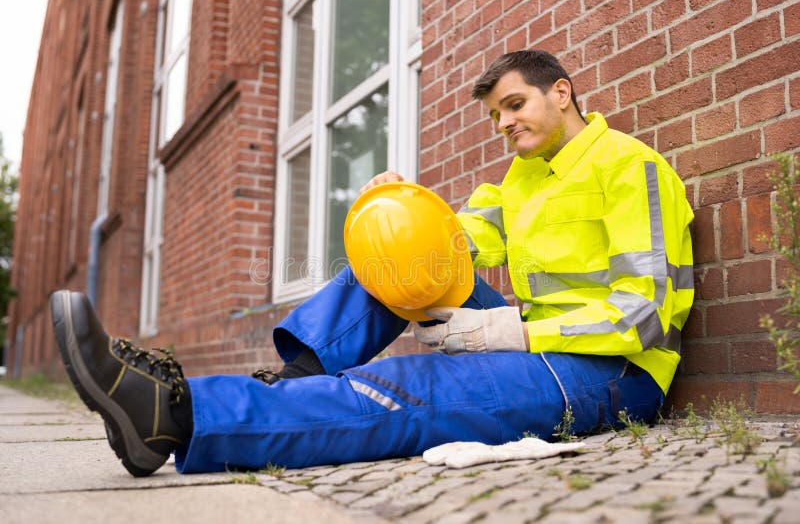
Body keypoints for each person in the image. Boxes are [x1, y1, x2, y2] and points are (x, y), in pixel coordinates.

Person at [49, 50, 694, 477]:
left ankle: (174, 413)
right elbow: (452, 247)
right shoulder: (517, 182)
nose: (503, 124)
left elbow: (644, 317)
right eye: (495, 115)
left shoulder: (629, 167)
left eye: (515, 105)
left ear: (562, 92)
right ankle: (295, 378)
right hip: (538, 347)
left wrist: (512, 334)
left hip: (613, 374)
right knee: (398, 254)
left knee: (421, 393)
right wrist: (402, 213)